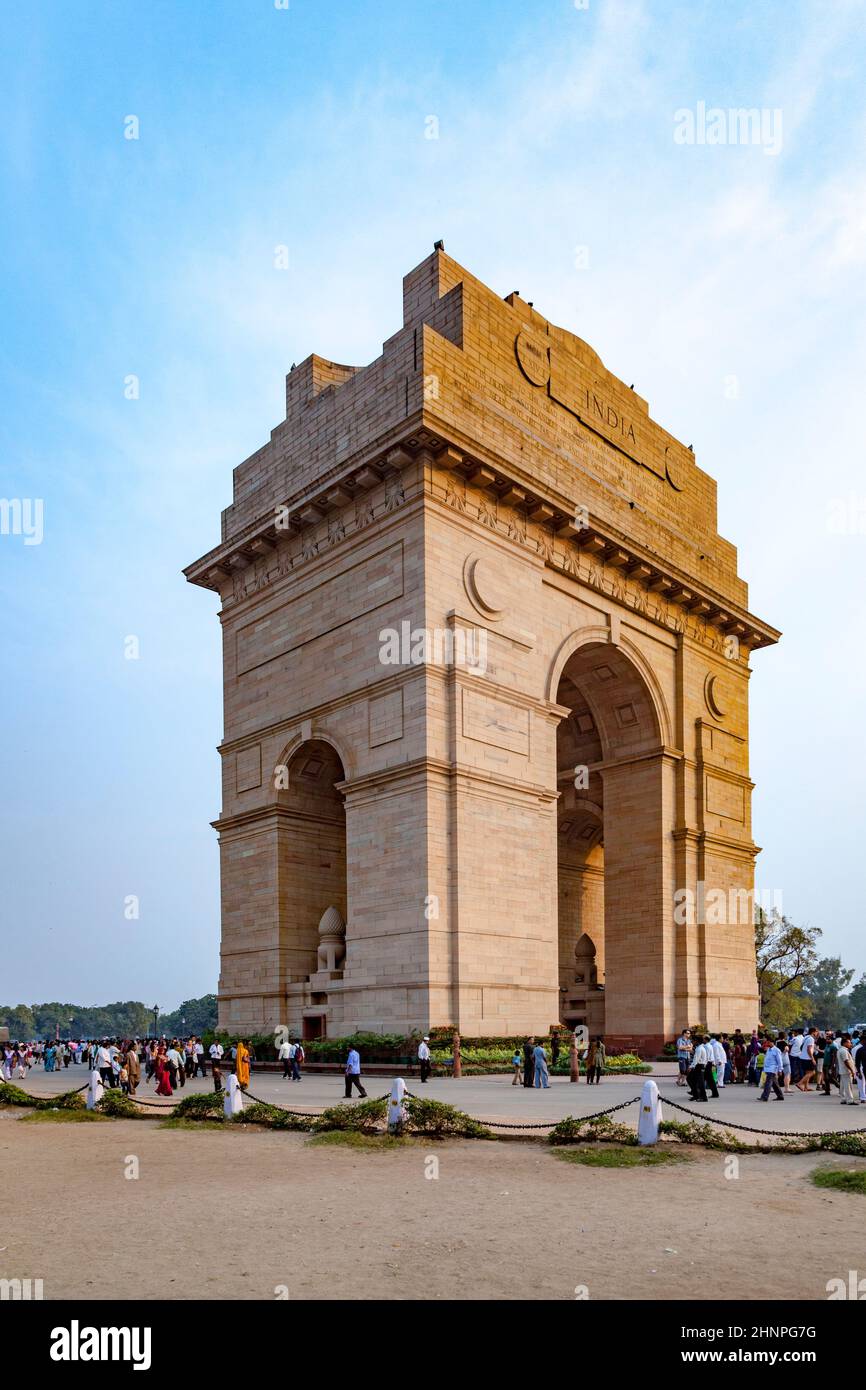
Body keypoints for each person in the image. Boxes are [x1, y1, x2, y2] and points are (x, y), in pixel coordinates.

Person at [837, 1035, 858, 1105]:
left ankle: (843, 1099)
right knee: (848, 1085)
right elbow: (846, 1061)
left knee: (843, 1086)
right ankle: (850, 1100)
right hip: (846, 1071)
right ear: (844, 1043)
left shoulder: (841, 1050)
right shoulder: (844, 1051)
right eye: (849, 1043)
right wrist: (851, 1070)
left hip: (843, 1071)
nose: (850, 1044)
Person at [687, 1035, 708, 1101]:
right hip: (698, 1066)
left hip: (699, 1066)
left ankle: (704, 1097)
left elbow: (696, 1059)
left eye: (692, 1040)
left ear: (697, 1041)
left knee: (700, 1082)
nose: (692, 1042)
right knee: (692, 1080)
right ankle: (696, 1095)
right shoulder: (699, 1048)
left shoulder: (699, 1049)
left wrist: (691, 1067)